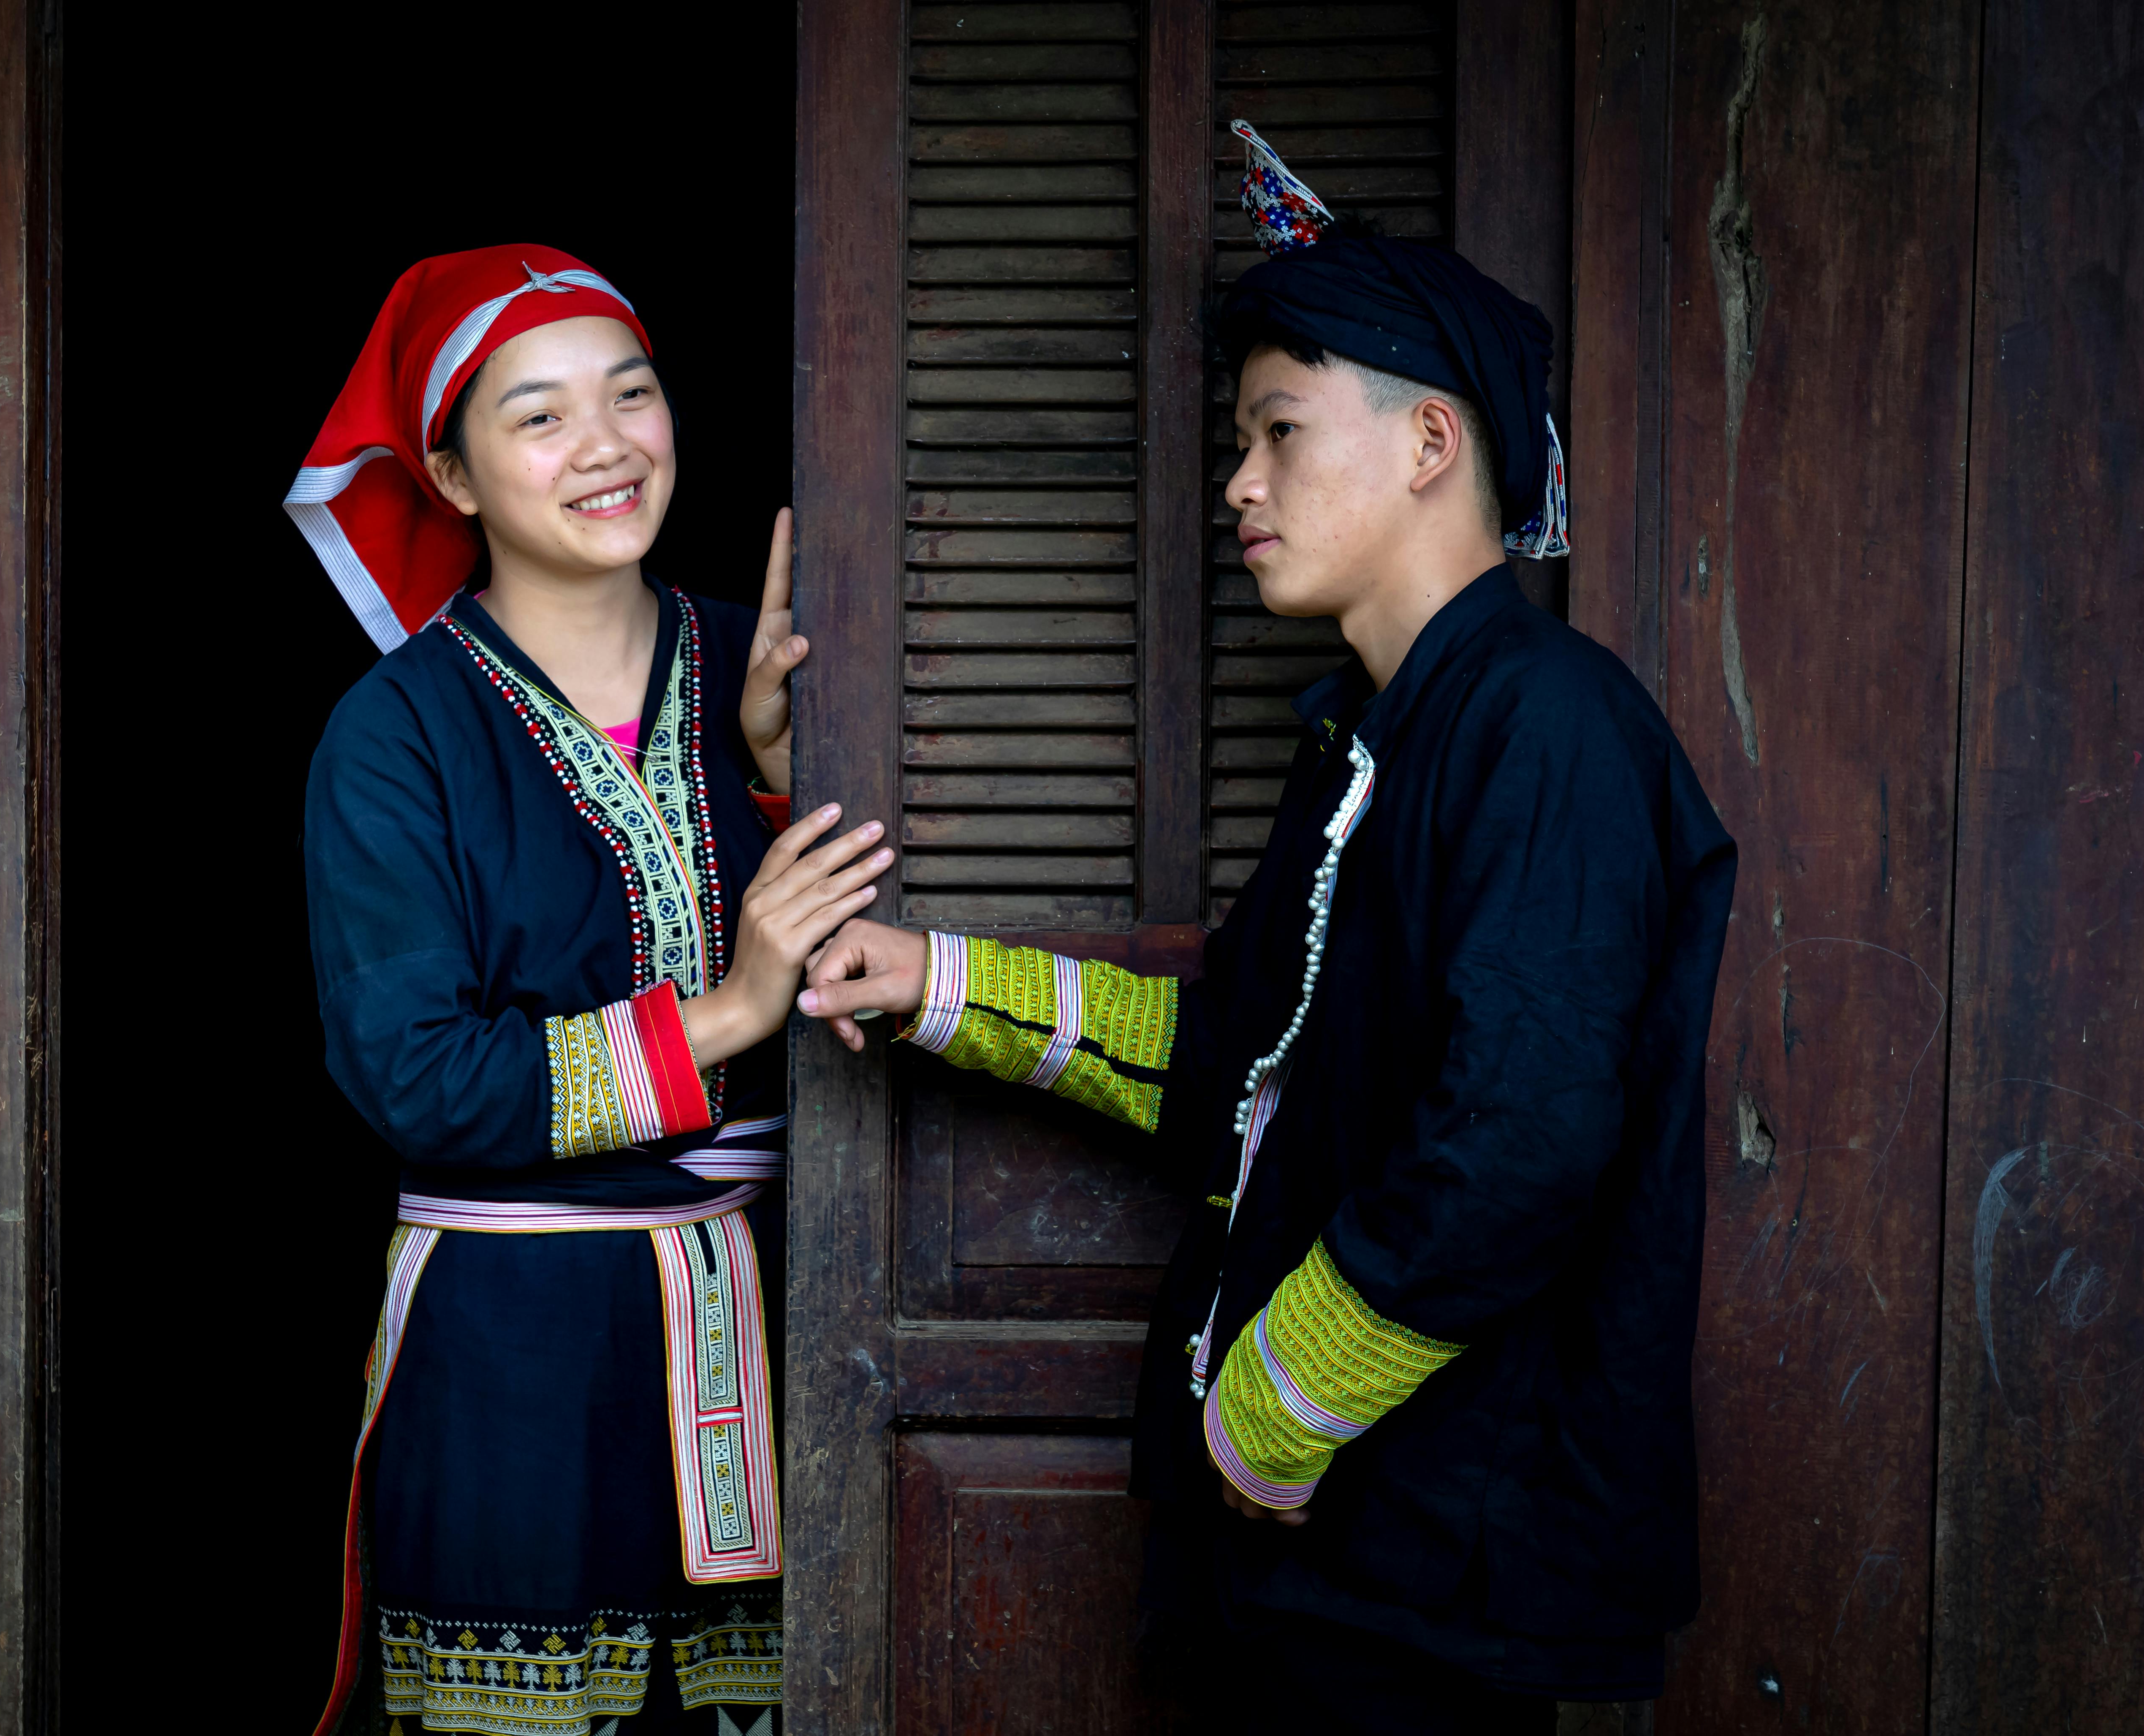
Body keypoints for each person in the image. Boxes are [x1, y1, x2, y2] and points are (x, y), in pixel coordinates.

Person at [796, 128, 1738, 1733]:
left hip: (1437, 1566)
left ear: (1431, 440)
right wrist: (936, 985)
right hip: (1298, 1568)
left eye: (1278, 433)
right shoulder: (1359, 743)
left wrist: (1272, 1414)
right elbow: (1236, 1056)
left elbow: (1521, 1140)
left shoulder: (1549, 729)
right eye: (1242, 442)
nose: (1236, 483)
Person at [287, 245, 886, 1736]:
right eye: (539, 417)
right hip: (513, 1364)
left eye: (630, 392)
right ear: (456, 473)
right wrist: (729, 1011)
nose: (606, 444)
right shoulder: (395, 737)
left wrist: (773, 775)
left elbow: (918, 971)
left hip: (795, 1327)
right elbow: (416, 1074)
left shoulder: (786, 669)